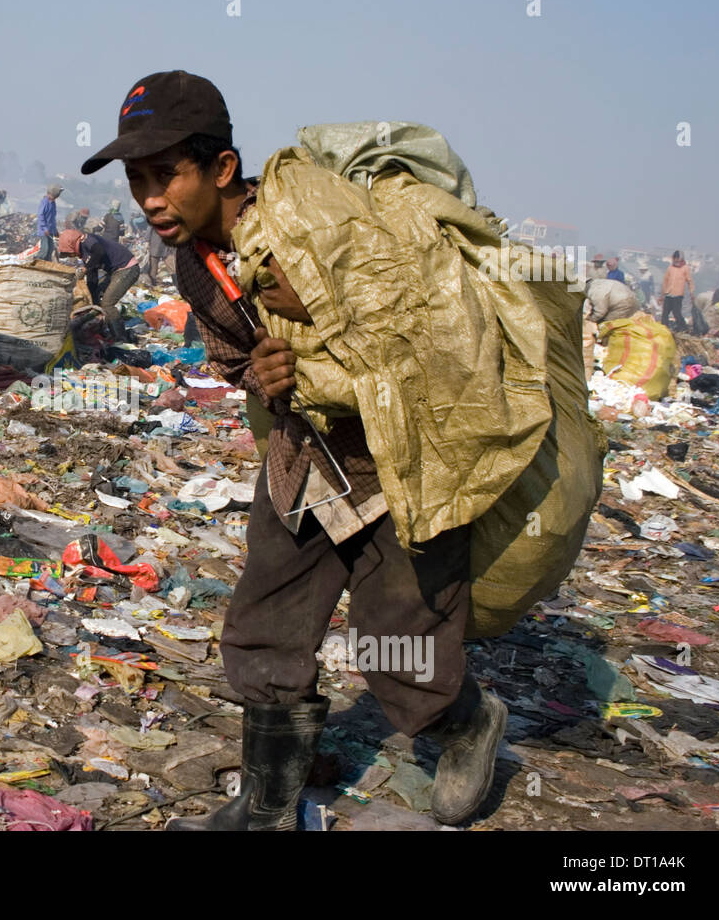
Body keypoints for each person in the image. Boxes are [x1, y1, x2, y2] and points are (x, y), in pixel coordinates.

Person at [82, 70, 504, 830]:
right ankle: (268, 806)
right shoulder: (192, 265)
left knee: (395, 649)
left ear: (220, 169)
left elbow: (419, 328)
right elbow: (238, 364)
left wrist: (319, 318)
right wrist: (267, 373)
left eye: (165, 174)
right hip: (305, 462)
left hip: (399, 465)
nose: (148, 198)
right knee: (264, 622)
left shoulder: (311, 224)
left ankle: (466, 725)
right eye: (137, 178)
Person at [59, 227, 140, 340]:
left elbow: (99, 252)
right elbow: (92, 278)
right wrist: (92, 301)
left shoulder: (87, 240)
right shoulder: (85, 255)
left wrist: (84, 269)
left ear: (73, 244)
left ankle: (120, 339)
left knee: (108, 303)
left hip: (128, 269)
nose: (71, 256)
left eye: (70, 253)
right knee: (97, 295)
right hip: (116, 272)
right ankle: (105, 328)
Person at [661, 250, 694, 331]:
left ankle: (684, 328)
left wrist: (692, 293)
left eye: (677, 258)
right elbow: (665, 281)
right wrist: (662, 294)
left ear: (681, 258)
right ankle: (664, 328)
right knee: (665, 313)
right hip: (668, 293)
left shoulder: (685, 268)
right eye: (674, 258)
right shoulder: (670, 268)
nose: (676, 260)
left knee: (677, 313)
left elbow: (690, 281)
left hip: (678, 294)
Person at [37, 184, 63, 260]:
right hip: (43, 231)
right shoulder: (44, 202)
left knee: (51, 249)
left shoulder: (53, 203)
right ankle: (38, 261)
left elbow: (52, 218)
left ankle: (47, 263)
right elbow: (41, 216)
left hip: (51, 230)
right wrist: (45, 229)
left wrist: (55, 231)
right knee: (45, 249)